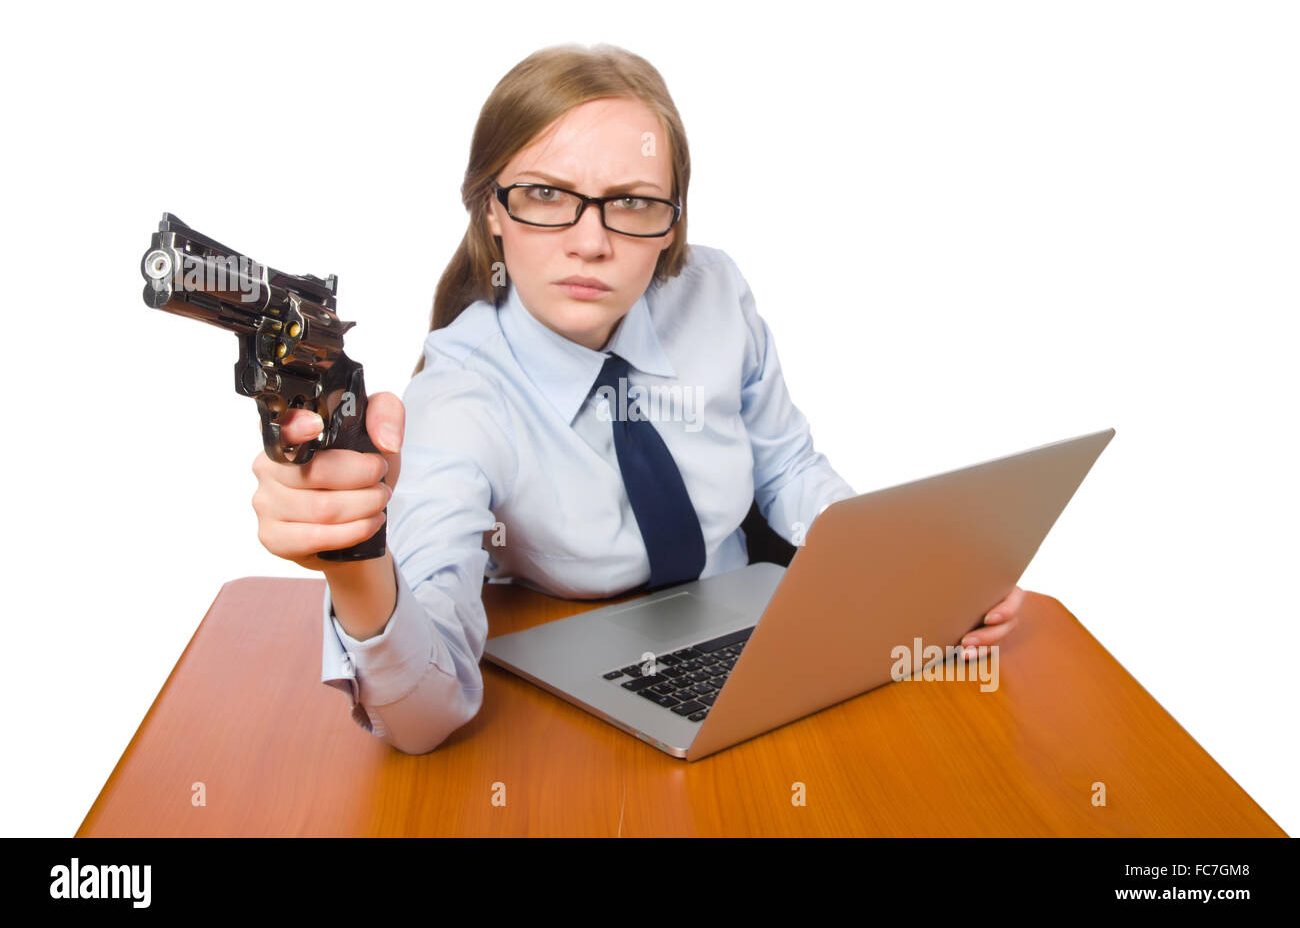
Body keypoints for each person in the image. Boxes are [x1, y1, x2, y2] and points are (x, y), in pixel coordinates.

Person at [251, 43, 1025, 755]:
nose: (592, 242)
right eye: (545, 194)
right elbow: (423, 715)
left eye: (631, 203)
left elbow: (788, 470)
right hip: (579, 695)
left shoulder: (714, 292)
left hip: (758, 632)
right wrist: (356, 562)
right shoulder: (459, 399)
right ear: (492, 208)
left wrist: (910, 576)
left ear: (671, 223)